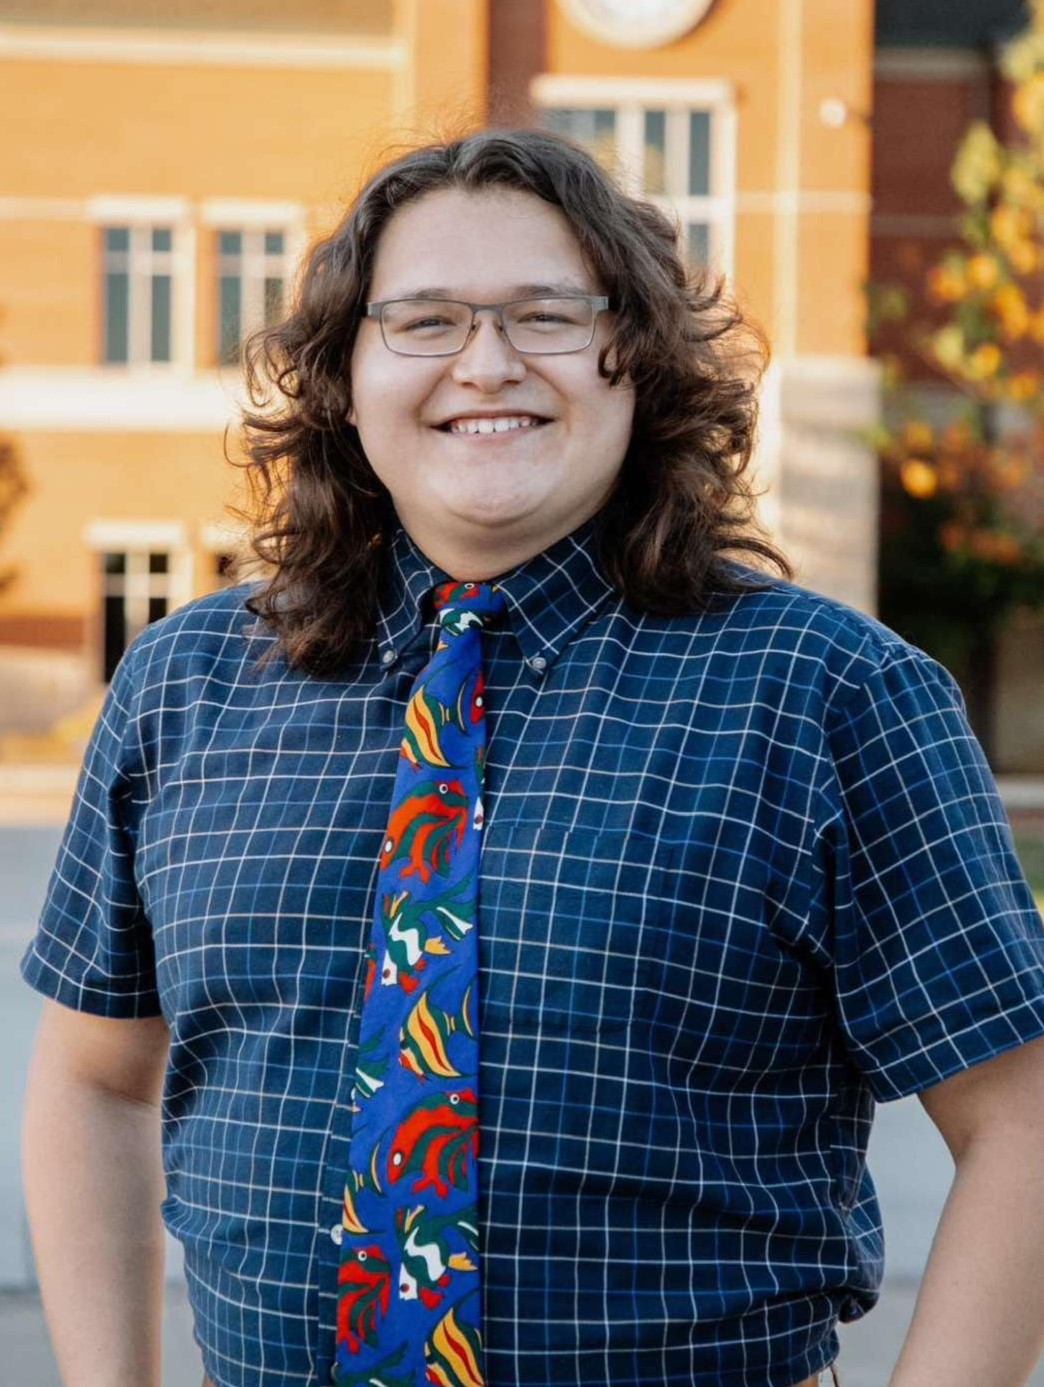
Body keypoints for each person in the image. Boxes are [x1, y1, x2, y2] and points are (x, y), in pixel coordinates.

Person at [20, 127, 1044, 1387]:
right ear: (344, 375)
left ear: (638, 365)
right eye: (425, 321)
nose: (487, 363)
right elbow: (93, 1079)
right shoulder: (185, 685)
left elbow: (1022, 1120)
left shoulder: (827, 695)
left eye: (549, 315)